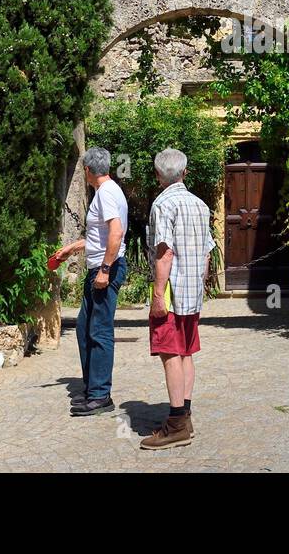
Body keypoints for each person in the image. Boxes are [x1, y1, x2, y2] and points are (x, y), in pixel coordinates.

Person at [140, 147, 215, 450]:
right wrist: (201, 281)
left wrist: (159, 295)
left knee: (170, 354)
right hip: (193, 289)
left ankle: (175, 426)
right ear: (185, 173)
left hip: (172, 291)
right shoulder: (200, 204)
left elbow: (164, 253)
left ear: (158, 176)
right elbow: (208, 252)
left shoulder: (162, 204)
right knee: (186, 352)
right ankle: (185, 414)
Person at [49, 147, 128, 416]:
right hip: (99, 267)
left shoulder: (105, 193)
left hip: (105, 270)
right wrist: (73, 247)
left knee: (99, 331)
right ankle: (93, 387)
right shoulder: (109, 191)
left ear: (87, 171)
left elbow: (116, 234)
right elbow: (102, 236)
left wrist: (105, 270)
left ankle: (100, 396)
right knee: (85, 328)